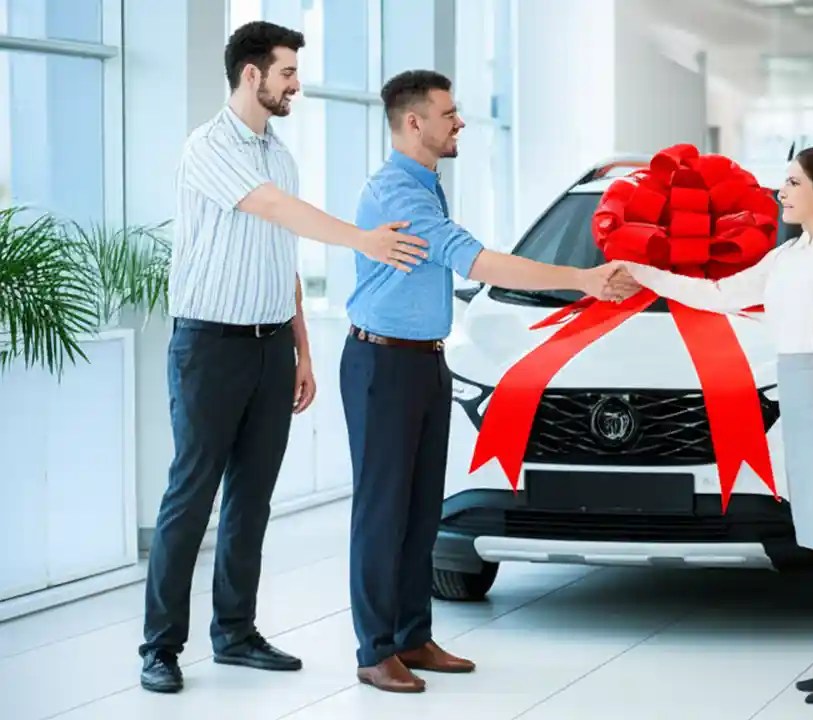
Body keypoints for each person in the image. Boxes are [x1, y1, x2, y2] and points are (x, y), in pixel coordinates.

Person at [139, 21, 428, 694]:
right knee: (191, 496)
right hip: (208, 346)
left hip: (271, 346)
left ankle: (235, 632)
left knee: (251, 499)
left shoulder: (281, 153)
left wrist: (301, 350)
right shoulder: (210, 146)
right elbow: (274, 210)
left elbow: (282, 258)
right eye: (288, 72)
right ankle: (160, 645)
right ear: (251, 75)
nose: (296, 83)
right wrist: (362, 239)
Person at [342, 69, 628, 694]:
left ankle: (413, 635)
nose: (460, 122)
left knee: (421, 507)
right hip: (382, 363)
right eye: (449, 113)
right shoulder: (399, 192)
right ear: (414, 123)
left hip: (422, 359)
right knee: (381, 509)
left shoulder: (426, 183)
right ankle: (374, 649)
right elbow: (474, 260)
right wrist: (580, 279)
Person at [612, 147, 813, 706]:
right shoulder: (787, 257)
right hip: (797, 390)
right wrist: (644, 274)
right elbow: (717, 295)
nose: (780, 192)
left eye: (791, 182)